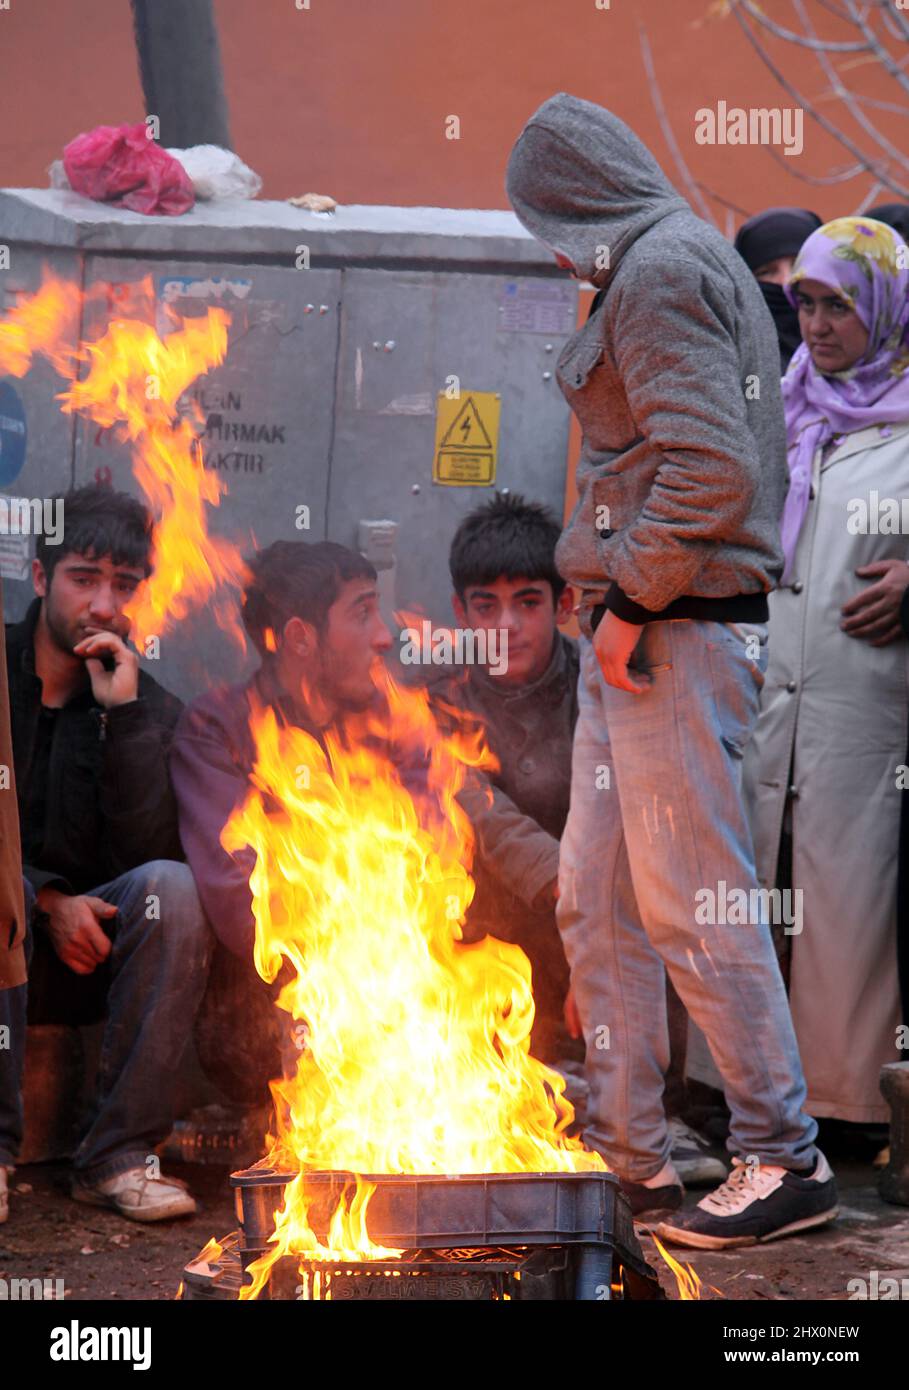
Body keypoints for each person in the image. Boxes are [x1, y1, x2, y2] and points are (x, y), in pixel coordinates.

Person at [506, 92, 835, 1249]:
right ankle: (631, 1158)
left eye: (545, 217)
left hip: (672, 631)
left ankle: (781, 1157)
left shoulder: (655, 275)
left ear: (576, 197)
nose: (547, 244)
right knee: (596, 900)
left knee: (698, 905)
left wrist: (631, 598)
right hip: (639, 624)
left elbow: (709, 469)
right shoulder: (656, 256)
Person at [436, 492, 724, 1184]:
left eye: (527, 602)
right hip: (499, 931)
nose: (506, 625)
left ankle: (657, 1109)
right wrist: (579, 914)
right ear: (459, 613)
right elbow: (482, 815)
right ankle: (527, 1090)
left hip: (610, 913)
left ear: (564, 605)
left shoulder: (606, 682)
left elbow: (639, 806)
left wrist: (598, 935)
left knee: (669, 888)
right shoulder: (433, 700)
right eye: (485, 606)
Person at [0, 485, 210, 1222]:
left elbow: (148, 849)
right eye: (83, 578)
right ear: (38, 578)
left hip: (91, 955)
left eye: (122, 585)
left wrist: (122, 719)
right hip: (10, 939)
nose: (102, 603)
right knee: (6, 893)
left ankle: (115, 1158)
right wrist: (47, 898)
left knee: (174, 890)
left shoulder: (142, 701)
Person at [745, 217, 909, 1128]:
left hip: (868, 718)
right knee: (757, 895)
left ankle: (853, 1111)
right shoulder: (785, 408)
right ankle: (758, 1104)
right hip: (770, 709)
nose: (815, 325)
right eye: (803, 303)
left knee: (849, 914)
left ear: (884, 308)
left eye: (838, 305)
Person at [170, 540, 395, 1103]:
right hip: (266, 1010)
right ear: (300, 637)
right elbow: (239, 894)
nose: (384, 634)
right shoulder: (217, 726)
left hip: (390, 988)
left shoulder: (390, 721)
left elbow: (437, 854)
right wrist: (341, 965)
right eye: (363, 612)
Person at [734, 207, 822, 371]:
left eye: (797, 265)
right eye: (766, 272)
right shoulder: (738, 359)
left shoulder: (858, 346)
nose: (785, 282)